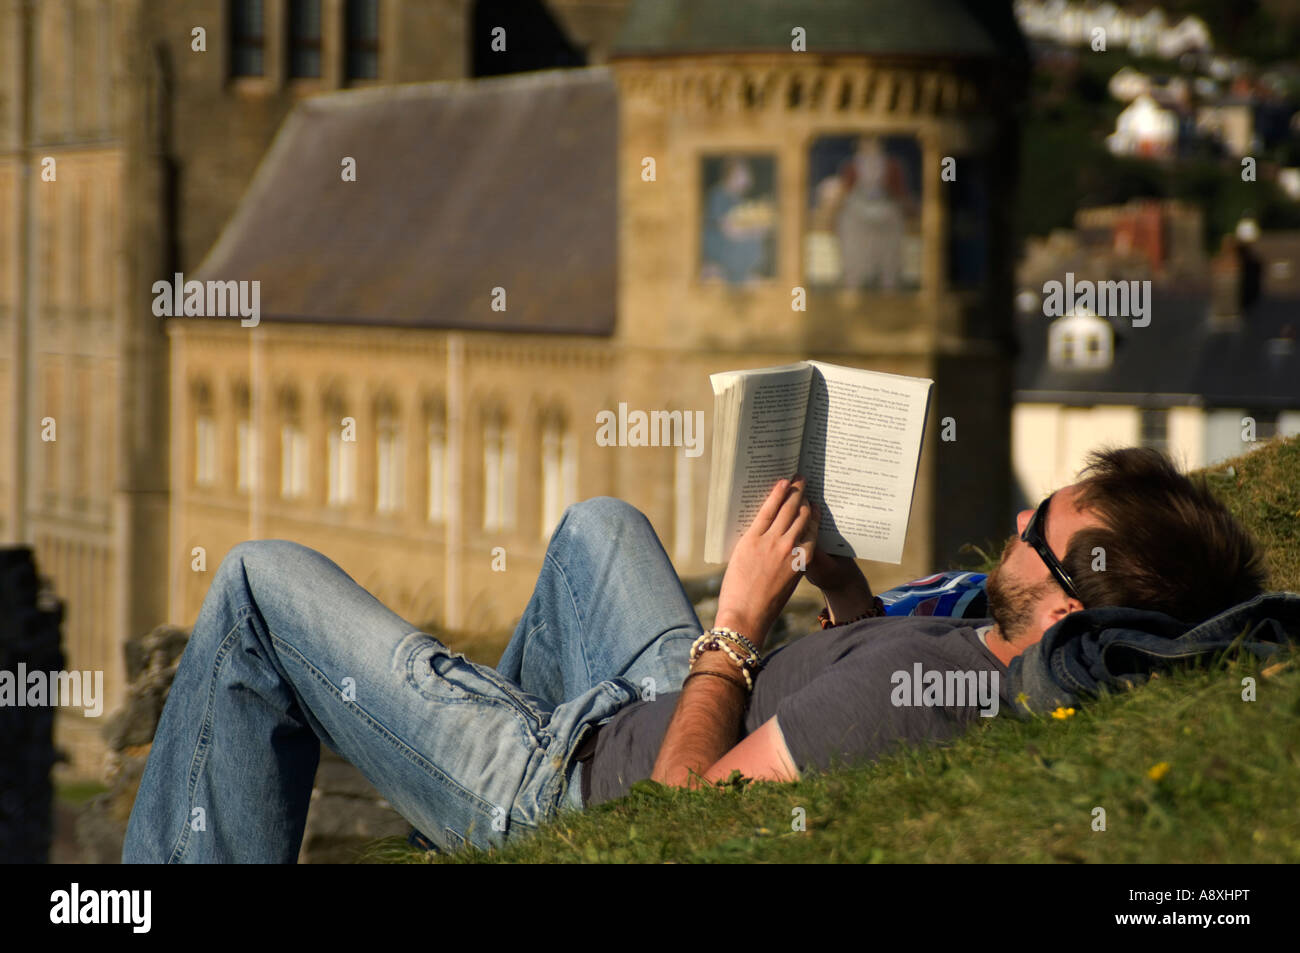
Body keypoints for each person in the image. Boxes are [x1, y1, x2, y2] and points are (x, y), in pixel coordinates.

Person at [122, 446, 1265, 861]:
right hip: (662, 695)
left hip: (570, 783)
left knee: (260, 583)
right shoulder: (989, 646)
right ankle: (440, 779)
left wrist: (740, 619)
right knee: (600, 524)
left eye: (1037, 533)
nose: (1013, 526)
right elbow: (860, 676)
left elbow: (681, 813)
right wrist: (847, 589)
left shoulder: (941, 700)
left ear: (1070, 604)